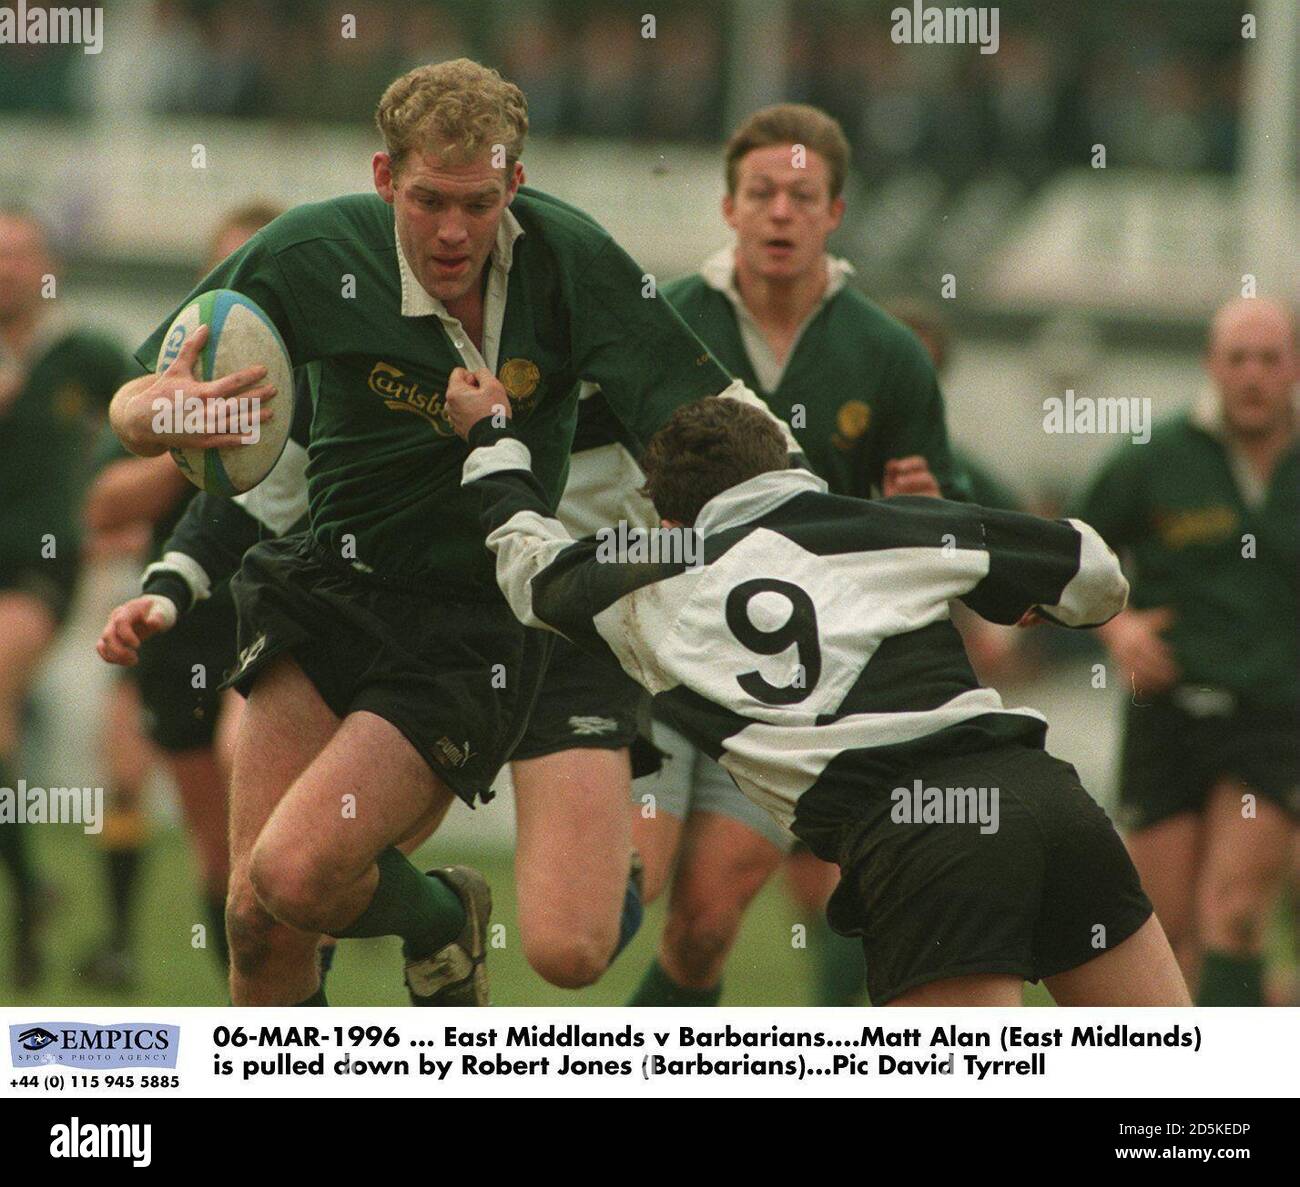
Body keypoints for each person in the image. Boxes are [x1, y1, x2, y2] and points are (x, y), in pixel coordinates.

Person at [102, 59, 797, 1007]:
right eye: (429, 199)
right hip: (323, 589)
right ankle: (415, 944)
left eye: (478, 201)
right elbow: (136, 401)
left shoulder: (571, 259)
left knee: (301, 876)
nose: (454, 230)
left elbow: (709, 420)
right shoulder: (312, 248)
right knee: (258, 921)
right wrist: (163, 413)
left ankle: (437, 919)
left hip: (470, 627)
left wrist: (814, 531)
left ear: (514, 183)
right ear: (386, 178)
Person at [448, 379, 1190, 1007]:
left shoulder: (648, 576)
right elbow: (1093, 567)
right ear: (783, 463)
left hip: (923, 841)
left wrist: (493, 438)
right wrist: (1028, 603)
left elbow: (529, 567)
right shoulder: (888, 519)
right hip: (1048, 800)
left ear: (669, 517)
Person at [627, 103, 966, 1008]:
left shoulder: (889, 354)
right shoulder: (662, 326)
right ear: (730, 206)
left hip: (789, 681)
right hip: (658, 655)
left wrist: (923, 512)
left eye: (802, 195)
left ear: (835, 214)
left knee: (703, 923)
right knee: (630, 885)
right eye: (763, 192)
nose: (782, 211)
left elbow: (946, 516)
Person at [78, 202, 289, 990]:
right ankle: (255, 1009)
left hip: (290, 616)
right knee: (223, 857)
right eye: (227, 272)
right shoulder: (165, 385)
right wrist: (200, 445)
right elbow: (100, 505)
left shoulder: (317, 372)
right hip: (187, 611)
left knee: (280, 840)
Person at [1079, 296, 1298, 1006]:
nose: (1254, 374)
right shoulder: (1156, 457)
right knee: (1166, 933)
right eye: (1238, 358)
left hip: (1274, 715)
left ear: (1293, 365)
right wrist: (1121, 628)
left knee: (1233, 910)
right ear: (1211, 366)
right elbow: (1074, 550)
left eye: (1269, 357)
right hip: (1169, 710)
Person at [0, 206, 135, 987]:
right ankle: (29, 893)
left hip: (36, 568)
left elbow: (145, 421)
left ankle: (32, 896)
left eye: (21, 254)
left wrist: (117, 516)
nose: (8, 268)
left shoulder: (82, 351)